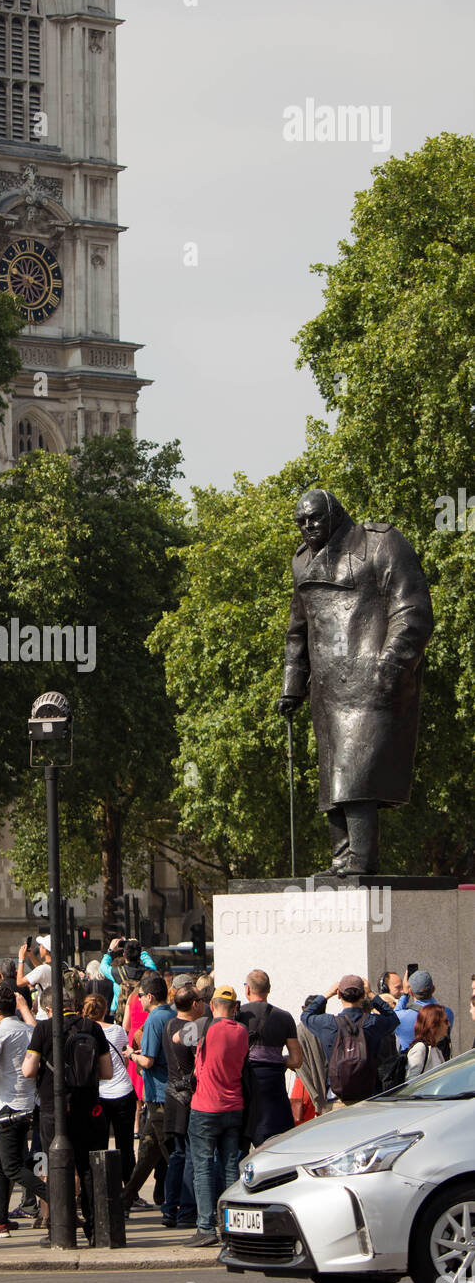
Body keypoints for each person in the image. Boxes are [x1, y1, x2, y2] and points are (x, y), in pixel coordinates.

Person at [277, 488, 433, 875]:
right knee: (333, 775)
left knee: (357, 770)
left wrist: (390, 666)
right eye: (300, 522)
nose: (307, 527)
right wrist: (292, 685)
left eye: (313, 518)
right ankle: (342, 857)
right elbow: (298, 630)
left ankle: (362, 859)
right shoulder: (302, 564)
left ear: (334, 513)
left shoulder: (382, 544)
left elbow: (412, 610)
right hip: (327, 687)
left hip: (372, 679)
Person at [24, 975, 111, 1247]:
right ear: (73, 1003)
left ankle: (60, 1230)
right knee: (87, 1167)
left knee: (57, 1167)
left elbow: (28, 1071)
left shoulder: (44, 1029)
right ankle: (95, 1231)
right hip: (88, 1107)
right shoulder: (93, 1028)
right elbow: (107, 1072)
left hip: (53, 1108)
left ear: (48, 1009)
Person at [0, 985, 47, 1239]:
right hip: (28, 1105)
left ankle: (58, 1198)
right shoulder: (27, 1030)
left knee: (12, 1167)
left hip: (8, 1108)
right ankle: (0, 1220)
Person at [185, 985, 250, 1247]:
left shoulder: (206, 1027)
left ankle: (205, 1227)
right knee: (229, 1166)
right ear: (235, 1008)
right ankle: (230, 1224)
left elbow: (179, 1038)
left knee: (202, 1167)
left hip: (205, 1107)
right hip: (234, 1107)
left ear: (212, 1006)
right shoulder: (243, 1032)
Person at [120, 972, 175, 1215]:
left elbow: (149, 1061)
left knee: (171, 1154)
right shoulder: (174, 1014)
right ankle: (126, 1198)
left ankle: (181, 1205)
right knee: (148, 1150)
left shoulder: (155, 1019)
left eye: (140, 996)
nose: (139, 1000)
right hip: (168, 1093)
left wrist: (131, 1054)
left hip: (158, 1096)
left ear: (150, 996)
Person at [301, 976, 399, 1107]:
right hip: (368, 1096)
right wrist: (371, 994)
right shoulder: (372, 1022)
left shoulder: (329, 1024)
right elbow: (393, 1018)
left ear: (338, 994)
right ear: (363, 995)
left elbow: (306, 1015)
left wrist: (327, 993)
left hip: (338, 1097)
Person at [161, 984, 209, 1229]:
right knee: (191, 1155)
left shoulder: (169, 1024)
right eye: (201, 999)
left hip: (172, 1095)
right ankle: (187, 1210)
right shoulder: (191, 1029)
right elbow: (197, 1065)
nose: (204, 1003)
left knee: (178, 1156)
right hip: (187, 1098)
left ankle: (170, 1209)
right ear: (194, 1004)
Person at [239, 969, 302, 1144]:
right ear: (269, 989)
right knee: (278, 1144)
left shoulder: (238, 1015)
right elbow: (297, 1060)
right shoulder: (284, 1017)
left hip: (245, 1084)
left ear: (247, 990)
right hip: (274, 1088)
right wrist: (278, 1060)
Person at [83, 992, 135, 1185]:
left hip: (99, 1093)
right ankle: (130, 1190)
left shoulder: (84, 1033)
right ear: (105, 1010)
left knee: (99, 1145)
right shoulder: (117, 1030)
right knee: (126, 1145)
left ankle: (102, 1188)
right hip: (123, 1090)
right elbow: (125, 1057)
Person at [393, 970, 454, 1055]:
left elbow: (393, 1015)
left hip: (412, 1065)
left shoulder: (401, 1018)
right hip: (440, 1065)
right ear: (433, 989)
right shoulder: (447, 1013)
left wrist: (405, 995)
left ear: (411, 992)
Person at [290, 995, 327, 1124]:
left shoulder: (298, 1030)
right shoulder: (329, 1028)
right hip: (325, 1084)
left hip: (303, 1083)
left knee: (298, 1126)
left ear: (303, 1009)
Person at [100, 937, 157, 1015]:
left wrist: (110, 951)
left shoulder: (117, 972)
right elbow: (152, 967)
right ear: (139, 955)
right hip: (140, 1010)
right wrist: (141, 950)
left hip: (118, 1012)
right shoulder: (147, 972)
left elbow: (103, 966)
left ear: (124, 955)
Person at [406, 1006, 449, 1078]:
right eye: (445, 1021)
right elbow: (411, 1080)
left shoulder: (435, 1048)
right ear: (434, 1024)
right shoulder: (420, 1048)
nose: (448, 1025)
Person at [16, 936, 52, 1019]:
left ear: (46, 950)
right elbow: (41, 969)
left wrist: (21, 959)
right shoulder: (59, 965)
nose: (39, 947)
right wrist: (31, 955)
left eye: (41, 946)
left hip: (44, 1015)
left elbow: (19, 982)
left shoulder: (43, 969)